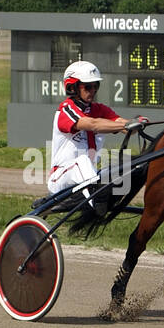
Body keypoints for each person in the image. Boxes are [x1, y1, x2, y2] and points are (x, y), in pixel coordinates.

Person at [48, 60, 144, 213]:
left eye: (95, 86)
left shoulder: (100, 109)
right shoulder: (65, 110)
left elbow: (124, 127)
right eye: (87, 86)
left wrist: (136, 124)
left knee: (128, 167)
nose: (92, 90)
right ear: (72, 87)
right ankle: (97, 202)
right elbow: (92, 124)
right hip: (61, 179)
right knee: (82, 161)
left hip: (88, 177)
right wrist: (126, 125)